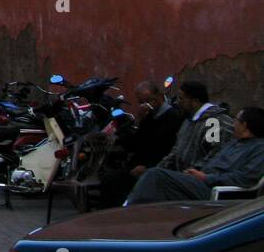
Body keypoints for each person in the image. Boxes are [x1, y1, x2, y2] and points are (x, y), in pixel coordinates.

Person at [127, 107, 264, 204]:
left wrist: (206, 177)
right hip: (200, 179)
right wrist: (195, 171)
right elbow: (211, 159)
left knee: (155, 175)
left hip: (213, 188)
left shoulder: (259, 148)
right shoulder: (234, 142)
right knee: (156, 186)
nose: (233, 123)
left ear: (244, 125)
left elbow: (244, 178)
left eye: (236, 120)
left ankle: (130, 213)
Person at [99, 79, 184, 207]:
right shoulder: (148, 118)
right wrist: (139, 121)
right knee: (109, 180)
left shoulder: (173, 117)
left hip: (155, 166)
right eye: (141, 102)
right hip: (138, 164)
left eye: (149, 100)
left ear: (159, 97)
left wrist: (148, 167)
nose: (146, 105)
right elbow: (134, 144)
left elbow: (169, 149)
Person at [145, 80, 234, 175]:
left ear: (195, 101)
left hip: (199, 179)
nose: (177, 103)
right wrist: (157, 170)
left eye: (181, 99)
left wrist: (192, 173)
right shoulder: (188, 121)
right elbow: (175, 152)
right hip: (182, 176)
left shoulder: (213, 121)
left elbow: (214, 154)